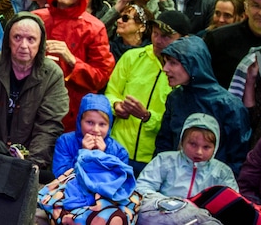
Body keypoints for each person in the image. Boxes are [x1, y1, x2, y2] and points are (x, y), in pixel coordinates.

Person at [0, 12, 68, 180]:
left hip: (29, 157)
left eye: (31, 39)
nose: (23, 45)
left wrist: (30, 163)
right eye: (17, 37)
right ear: (7, 41)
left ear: (40, 43)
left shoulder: (52, 74)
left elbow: (49, 125)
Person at [106, 10, 190, 175]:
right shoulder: (132, 57)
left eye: (166, 37)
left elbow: (178, 120)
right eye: (156, 34)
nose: (158, 40)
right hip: (117, 149)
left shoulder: (184, 72)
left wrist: (147, 117)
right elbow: (110, 93)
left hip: (155, 157)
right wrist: (116, 105)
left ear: (183, 39)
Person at [35, 0, 116, 131]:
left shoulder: (94, 28)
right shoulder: (36, 19)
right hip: (34, 104)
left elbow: (101, 76)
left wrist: (72, 60)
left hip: (71, 112)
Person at [37, 93, 139, 225]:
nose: (96, 130)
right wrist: (84, 154)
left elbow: (119, 184)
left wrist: (101, 156)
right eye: (90, 122)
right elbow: (61, 176)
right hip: (69, 196)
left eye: (102, 124)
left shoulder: (119, 151)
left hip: (103, 201)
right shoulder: (66, 141)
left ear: (110, 126)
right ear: (80, 121)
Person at [156, 35, 251, 174]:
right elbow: (164, 144)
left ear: (193, 63)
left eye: (173, 63)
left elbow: (238, 157)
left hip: (213, 183)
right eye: (165, 62)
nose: (165, 68)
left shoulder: (229, 105)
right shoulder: (175, 98)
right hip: (174, 182)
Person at [137, 113, 238, 199]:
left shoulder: (222, 172)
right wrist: (164, 203)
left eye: (206, 147)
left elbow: (231, 201)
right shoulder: (164, 160)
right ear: (181, 142)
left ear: (215, 148)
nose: (199, 152)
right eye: (193, 144)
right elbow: (142, 187)